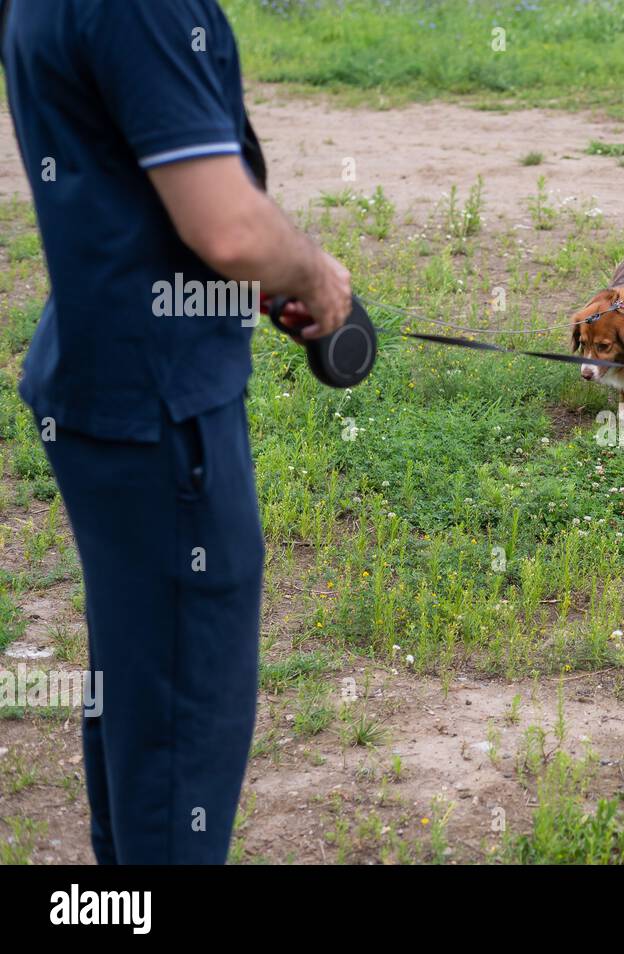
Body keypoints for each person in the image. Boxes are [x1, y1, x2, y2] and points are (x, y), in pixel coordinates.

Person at [1, 0, 350, 863]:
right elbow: (225, 225)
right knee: (183, 722)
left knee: (140, 688)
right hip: (164, 411)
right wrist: (314, 273)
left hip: (99, 375)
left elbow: (130, 184)